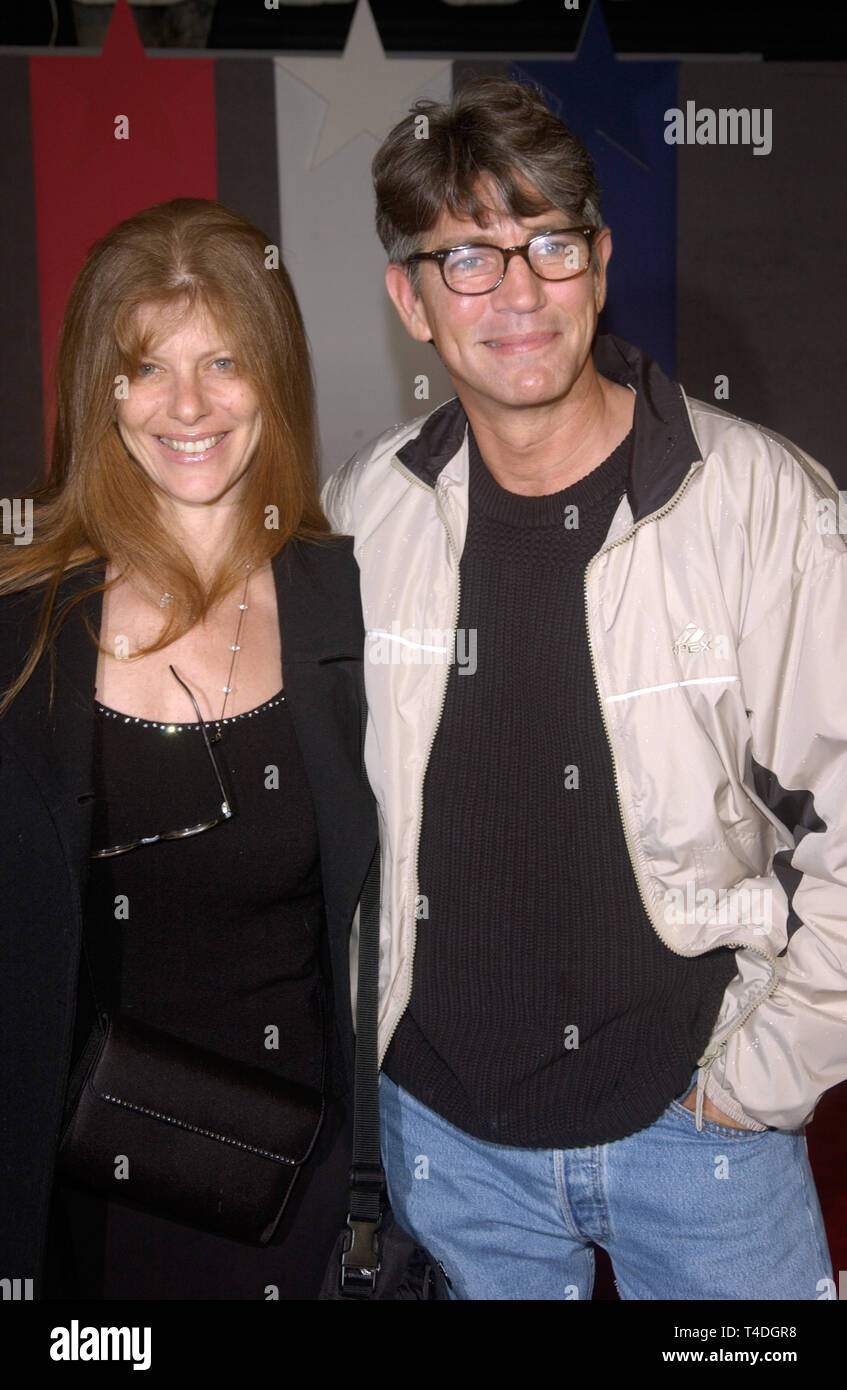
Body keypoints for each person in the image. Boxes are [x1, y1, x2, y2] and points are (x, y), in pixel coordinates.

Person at [321, 77, 844, 1300]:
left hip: (703, 1135)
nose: (516, 291)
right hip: (443, 1142)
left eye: (548, 242)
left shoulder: (760, 505)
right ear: (409, 297)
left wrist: (759, 1080)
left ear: (598, 263)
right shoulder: (364, 514)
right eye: (466, 257)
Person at [0, 198, 376, 1300]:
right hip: (79, 1207)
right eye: (148, 370)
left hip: (296, 1201)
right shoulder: (23, 637)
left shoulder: (347, 603)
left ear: (274, 379)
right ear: (98, 393)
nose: (189, 405)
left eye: (223, 361)